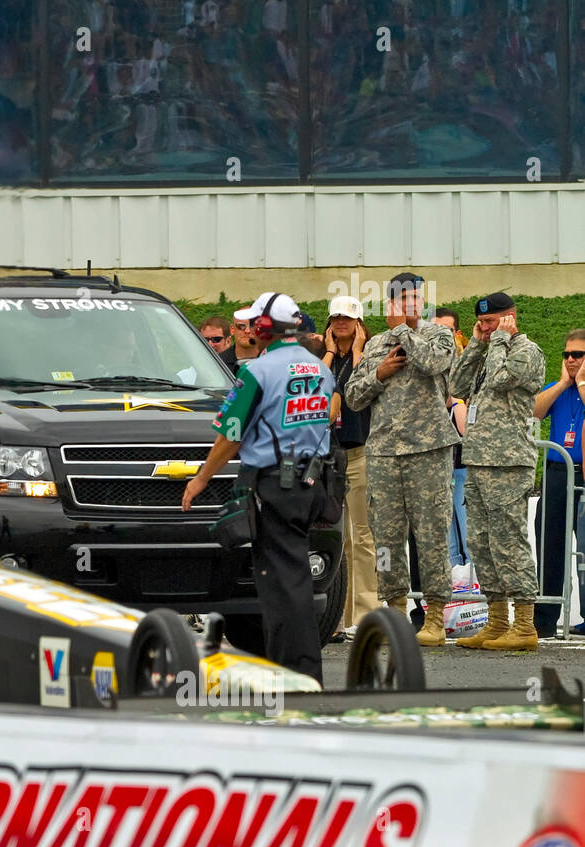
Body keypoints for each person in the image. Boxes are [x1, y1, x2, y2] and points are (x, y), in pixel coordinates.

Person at [182, 292, 333, 683]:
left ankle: (296, 676)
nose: (249, 329)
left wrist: (200, 479)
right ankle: (299, 671)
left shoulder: (256, 373)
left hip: (275, 487)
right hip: (314, 483)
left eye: (254, 323)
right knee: (295, 576)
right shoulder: (320, 368)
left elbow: (230, 434)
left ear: (265, 328)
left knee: (282, 586)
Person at [344, 272, 458, 647]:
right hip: (384, 453)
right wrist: (378, 373)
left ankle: (436, 616)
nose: (413, 305)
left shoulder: (438, 335)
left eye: (417, 299)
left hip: (428, 451)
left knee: (431, 534)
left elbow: (434, 365)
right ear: (392, 302)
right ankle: (395, 610)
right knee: (387, 538)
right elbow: (352, 397)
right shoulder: (376, 344)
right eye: (405, 299)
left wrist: (404, 332)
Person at [449, 292, 545, 650]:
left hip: (508, 461)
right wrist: (475, 343)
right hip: (478, 459)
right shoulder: (487, 348)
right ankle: (496, 620)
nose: (487, 328)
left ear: (510, 317)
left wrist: (501, 339)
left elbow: (504, 379)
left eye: (493, 322)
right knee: (482, 542)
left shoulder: (526, 350)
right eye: (483, 323)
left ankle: (524, 625)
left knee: (509, 541)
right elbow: (455, 386)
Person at [320, 296, 375, 639]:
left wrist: (356, 352)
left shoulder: (369, 355)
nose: (341, 322)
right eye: (336, 317)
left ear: (358, 323)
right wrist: (327, 352)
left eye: (348, 318)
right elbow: (317, 389)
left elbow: (361, 392)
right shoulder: (321, 358)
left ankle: (366, 612)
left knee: (363, 535)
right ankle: (338, 614)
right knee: (336, 538)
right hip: (329, 456)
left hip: (360, 452)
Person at [532, 328, 585, 638]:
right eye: (566, 354)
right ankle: (545, 617)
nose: (570, 359)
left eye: (577, 355)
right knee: (548, 543)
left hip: (583, 473)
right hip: (557, 473)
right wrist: (565, 382)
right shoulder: (560, 387)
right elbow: (535, 411)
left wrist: (579, 382)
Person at [432, 307, 470, 567]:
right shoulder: (426, 363)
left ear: (457, 334)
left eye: (445, 331)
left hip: (461, 467)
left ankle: (471, 593)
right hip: (432, 469)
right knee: (443, 538)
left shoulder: (469, 365)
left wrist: (457, 404)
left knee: (465, 532)